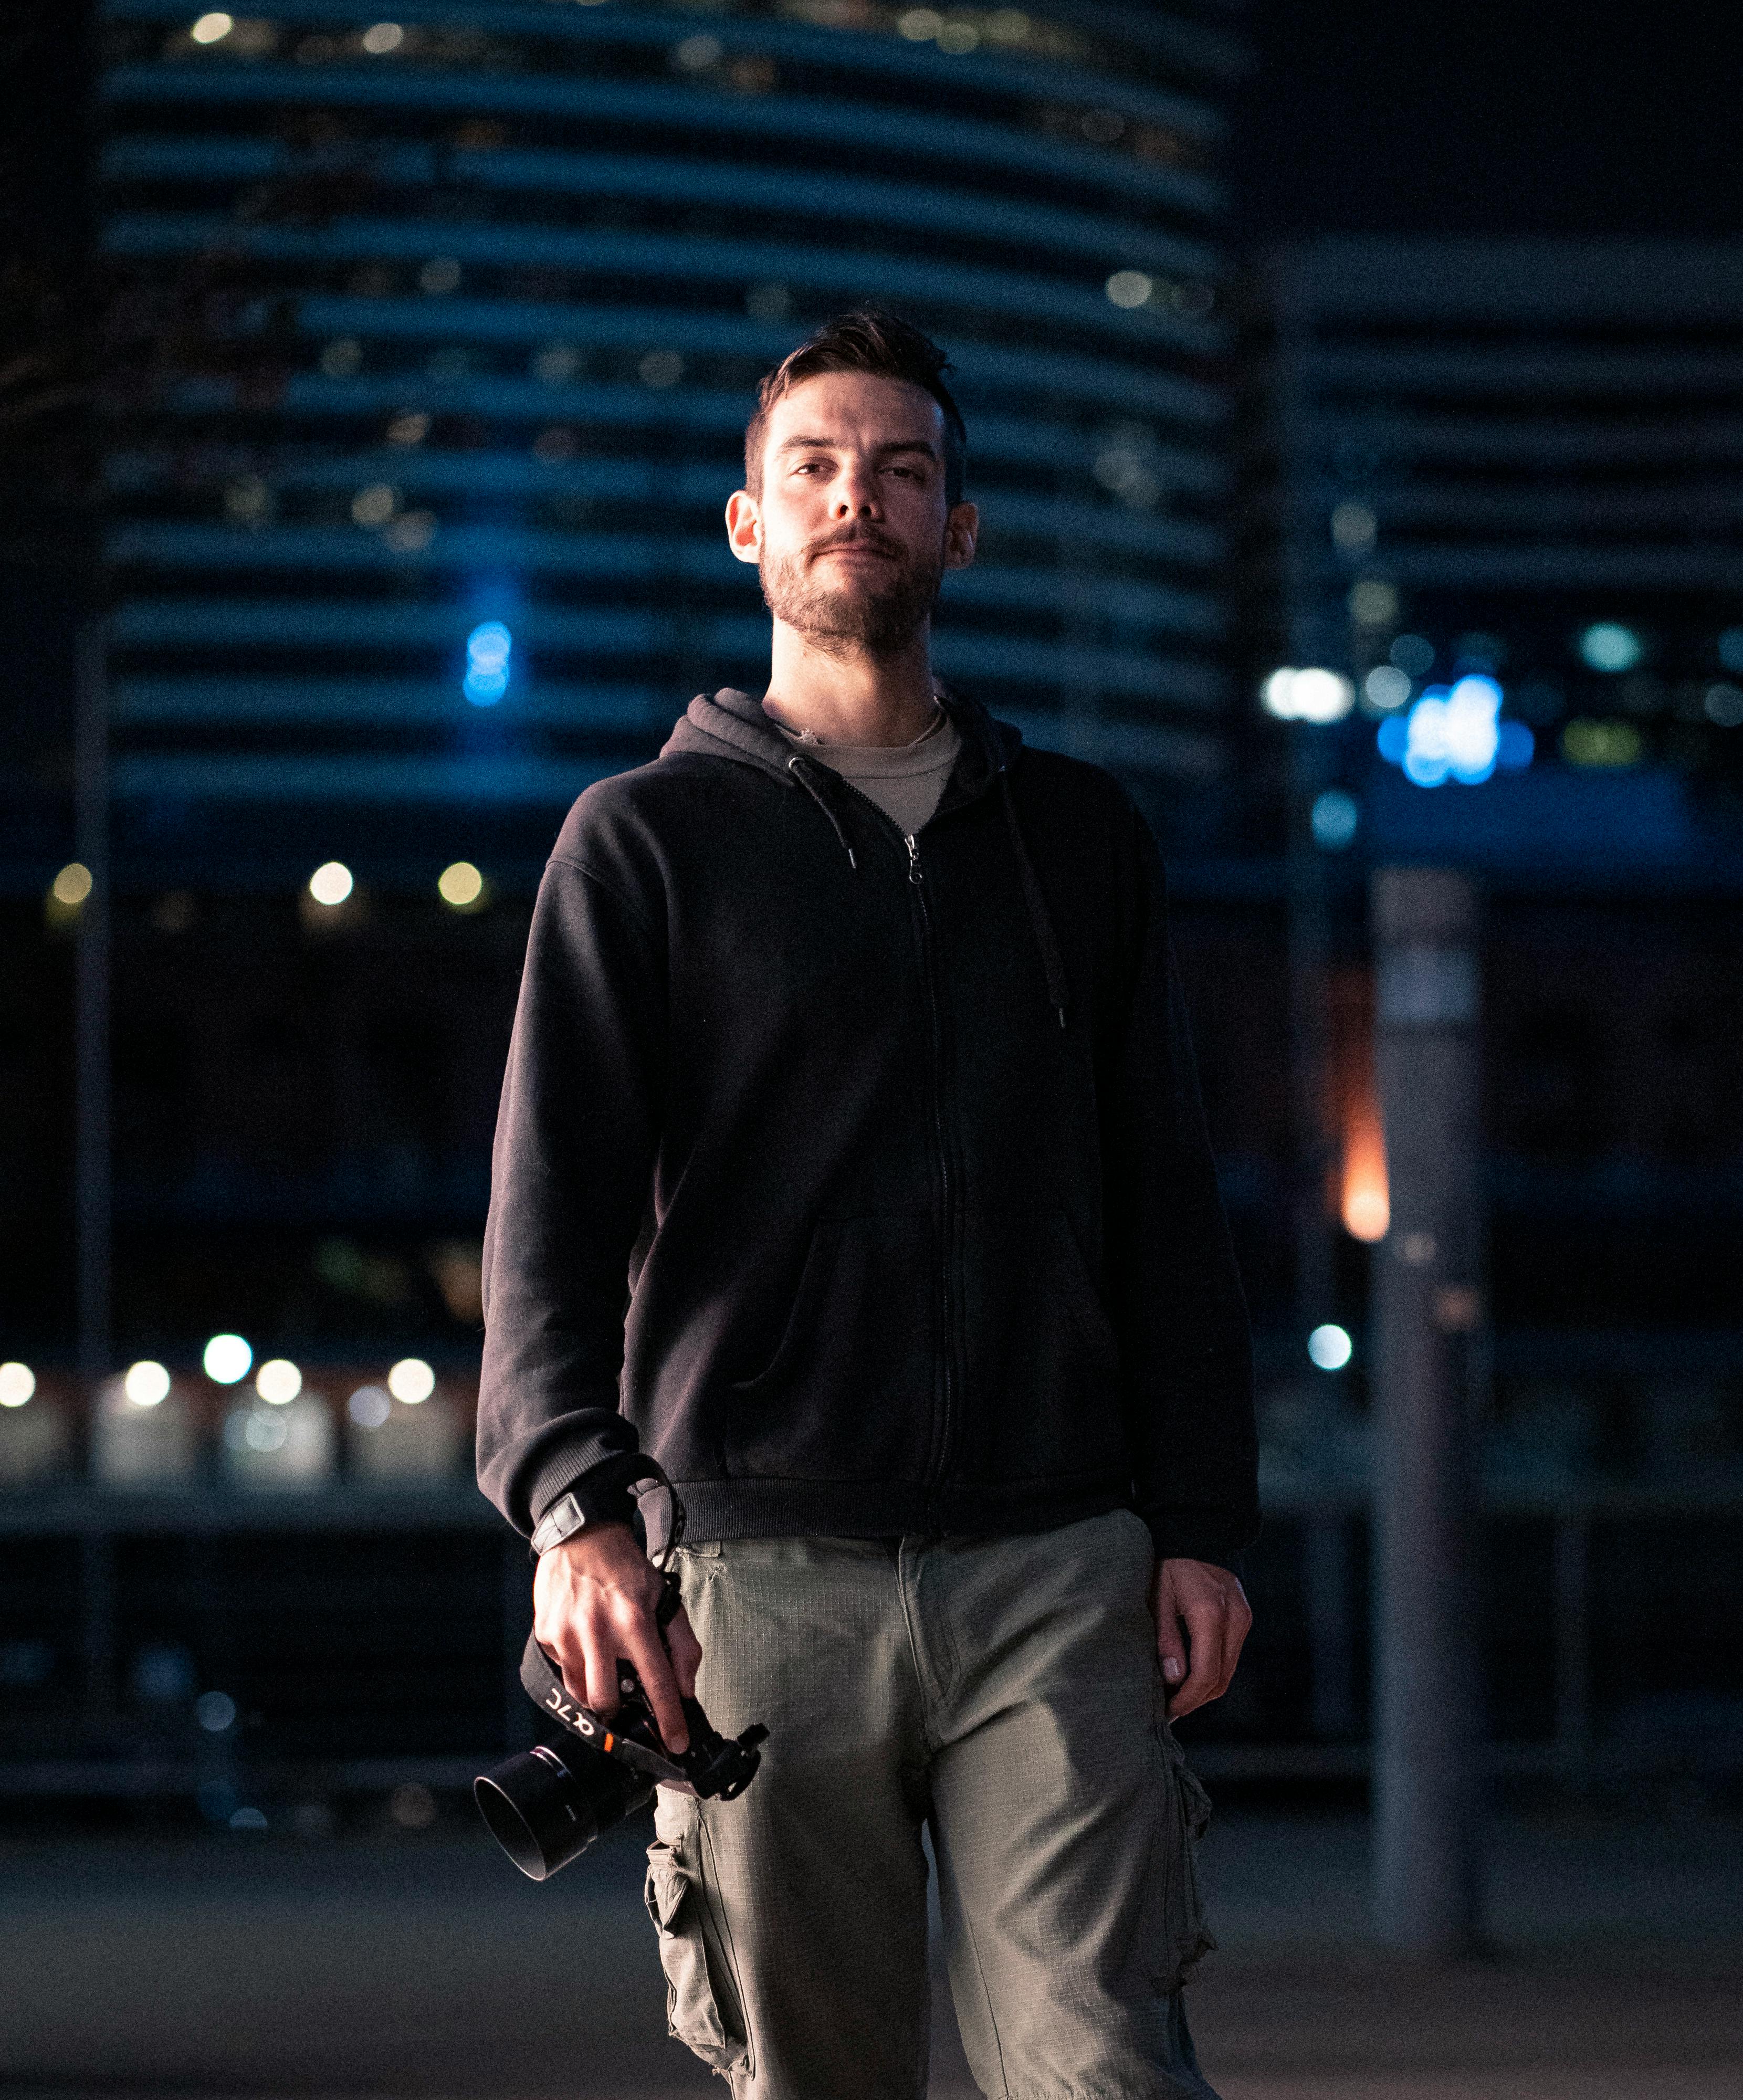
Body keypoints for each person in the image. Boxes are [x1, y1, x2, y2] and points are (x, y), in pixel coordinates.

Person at [477, 309, 1259, 2100]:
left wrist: (1202, 1517)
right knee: (813, 2078)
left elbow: (1167, 1201)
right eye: (815, 469)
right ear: (748, 525)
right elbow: (549, 1216)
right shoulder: (645, 840)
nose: (860, 499)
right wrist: (572, 1505)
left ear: (957, 530)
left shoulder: (1079, 838)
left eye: (903, 471)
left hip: (1060, 1558)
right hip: (753, 1572)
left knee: (1106, 2069)